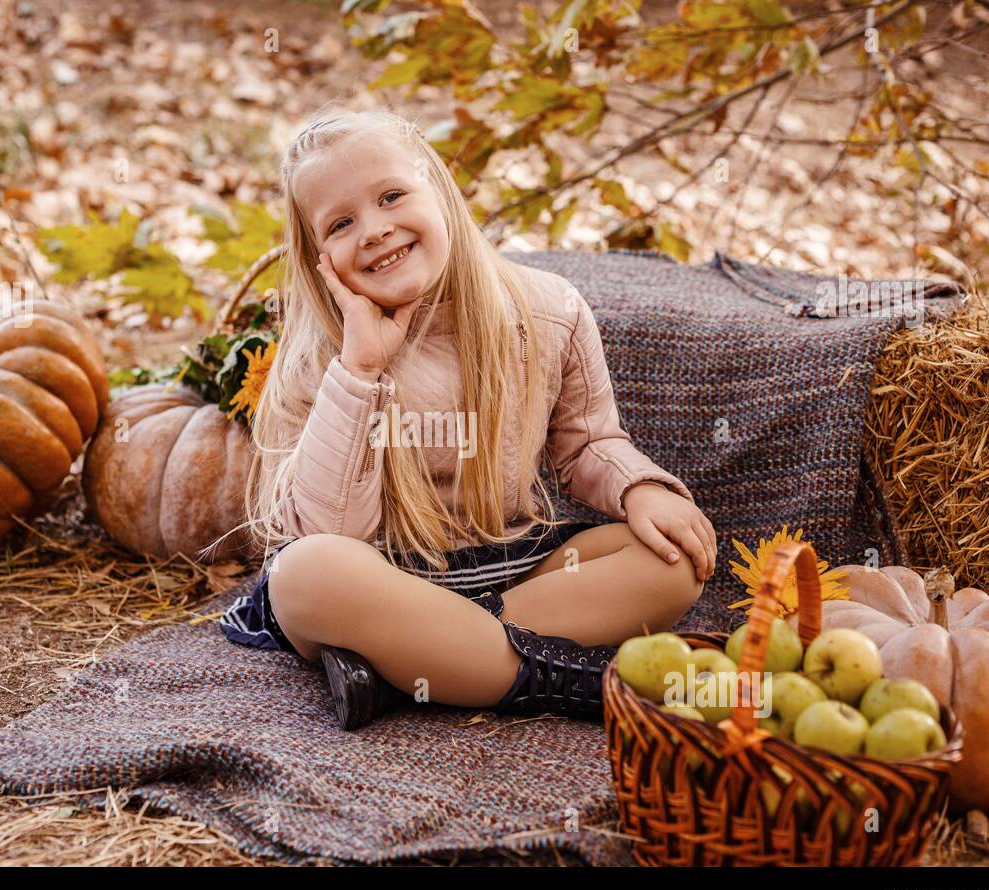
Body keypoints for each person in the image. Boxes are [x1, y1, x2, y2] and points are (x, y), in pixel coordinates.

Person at [218, 104, 715, 730]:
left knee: (668, 561)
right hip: (376, 582)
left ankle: (416, 662)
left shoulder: (546, 311)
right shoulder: (321, 360)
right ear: (318, 256)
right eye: (341, 222)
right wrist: (362, 369)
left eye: (392, 195)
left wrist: (639, 488)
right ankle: (570, 683)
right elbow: (331, 530)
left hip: (510, 563)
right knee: (306, 572)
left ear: (439, 186)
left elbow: (587, 445)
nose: (373, 229)